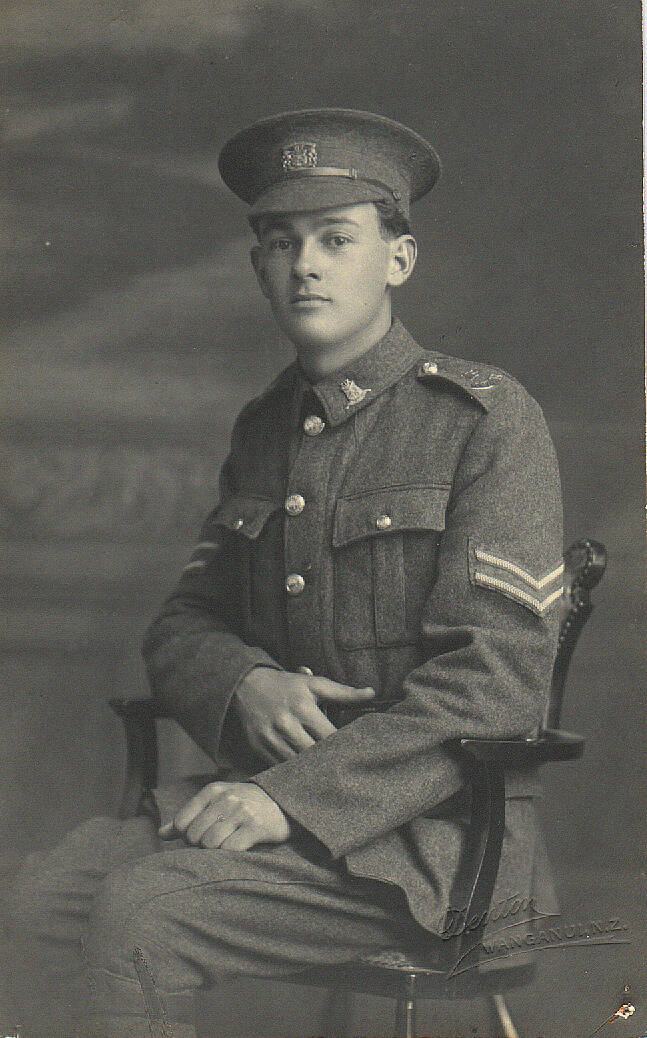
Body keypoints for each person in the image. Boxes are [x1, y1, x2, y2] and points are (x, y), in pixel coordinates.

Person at [9, 108, 564, 1038]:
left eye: (335, 239)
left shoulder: (483, 420)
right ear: (259, 265)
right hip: (271, 829)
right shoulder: (265, 430)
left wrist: (284, 797)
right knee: (32, 904)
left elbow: (496, 683)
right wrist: (246, 682)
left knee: (140, 915)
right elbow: (179, 627)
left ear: (397, 259)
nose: (305, 263)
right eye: (280, 241)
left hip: (429, 849)